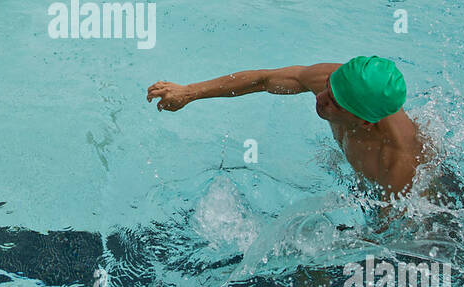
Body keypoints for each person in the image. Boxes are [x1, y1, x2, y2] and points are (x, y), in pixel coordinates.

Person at [147, 57, 441, 201]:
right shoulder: (338, 82)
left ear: (365, 122)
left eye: (335, 103)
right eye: (327, 87)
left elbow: (385, 235)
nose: (321, 98)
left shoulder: (398, 167)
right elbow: (262, 80)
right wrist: (189, 92)